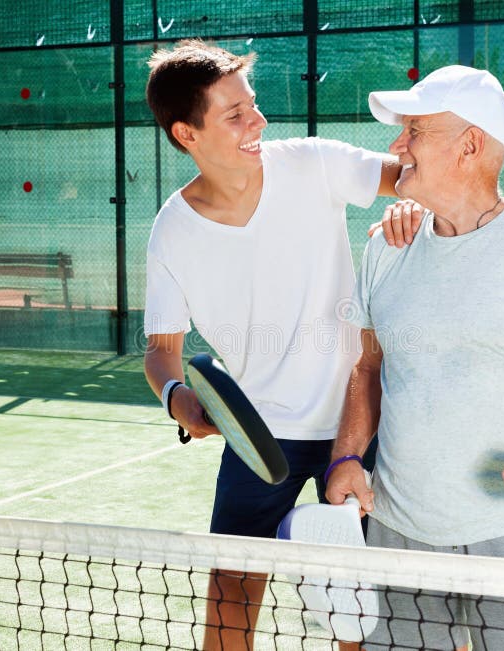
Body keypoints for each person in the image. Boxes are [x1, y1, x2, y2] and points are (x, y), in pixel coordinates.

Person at [142, 39, 413, 651]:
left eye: (254, 105)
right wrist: (180, 400)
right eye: (234, 115)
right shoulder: (171, 232)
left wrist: (414, 204)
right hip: (257, 438)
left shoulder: (313, 162)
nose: (257, 121)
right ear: (187, 133)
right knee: (230, 599)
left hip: (360, 424)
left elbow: (413, 180)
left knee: (360, 613)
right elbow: (161, 351)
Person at [324, 65, 504, 651]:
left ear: (469, 144)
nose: (396, 146)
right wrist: (347, 456)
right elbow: (366, 368)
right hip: (399, 532)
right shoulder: (383, 247)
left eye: (414, 131)